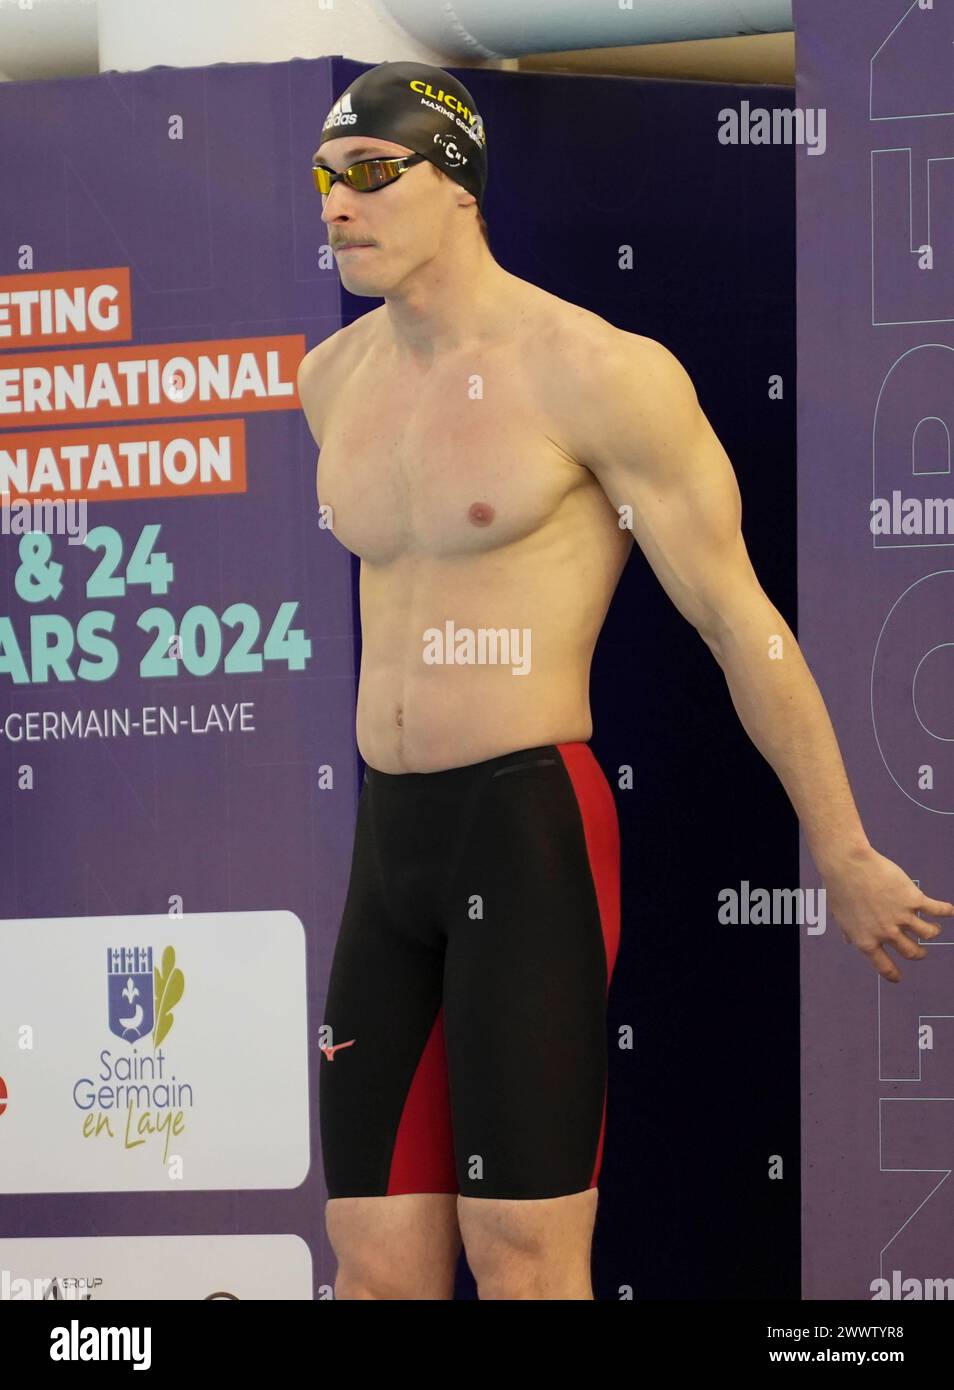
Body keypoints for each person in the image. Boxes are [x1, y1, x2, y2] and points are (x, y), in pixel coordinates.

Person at [298, 60, 954, 1301]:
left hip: (526, 828)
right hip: (389, 851)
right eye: (327, 178)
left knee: (527, 1260)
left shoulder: (596, 372)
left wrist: (845, 845)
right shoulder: (333, 384)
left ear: (462, 191)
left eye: (374, 173)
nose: (340, 202)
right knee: (375, 1266)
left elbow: (736, 620)